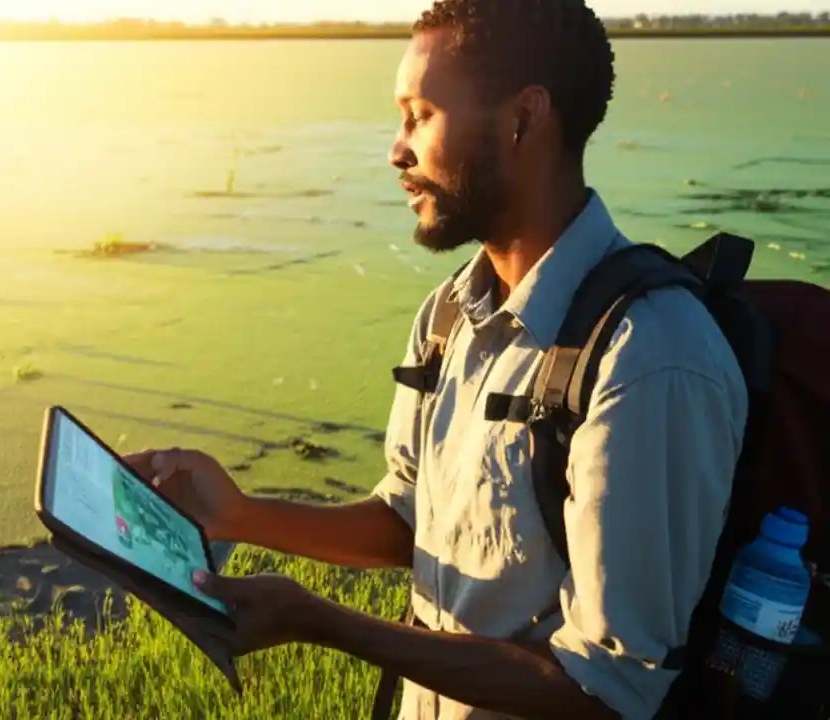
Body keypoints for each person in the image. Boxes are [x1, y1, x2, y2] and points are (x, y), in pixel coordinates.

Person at [123, 1, 749, 718]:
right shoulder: (451, 315)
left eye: (420, 114)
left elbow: (606, 689)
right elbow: (409, 521)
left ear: (522, 118)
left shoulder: (650, 353)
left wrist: (320, 621)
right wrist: (238, 513)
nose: (397, 149)